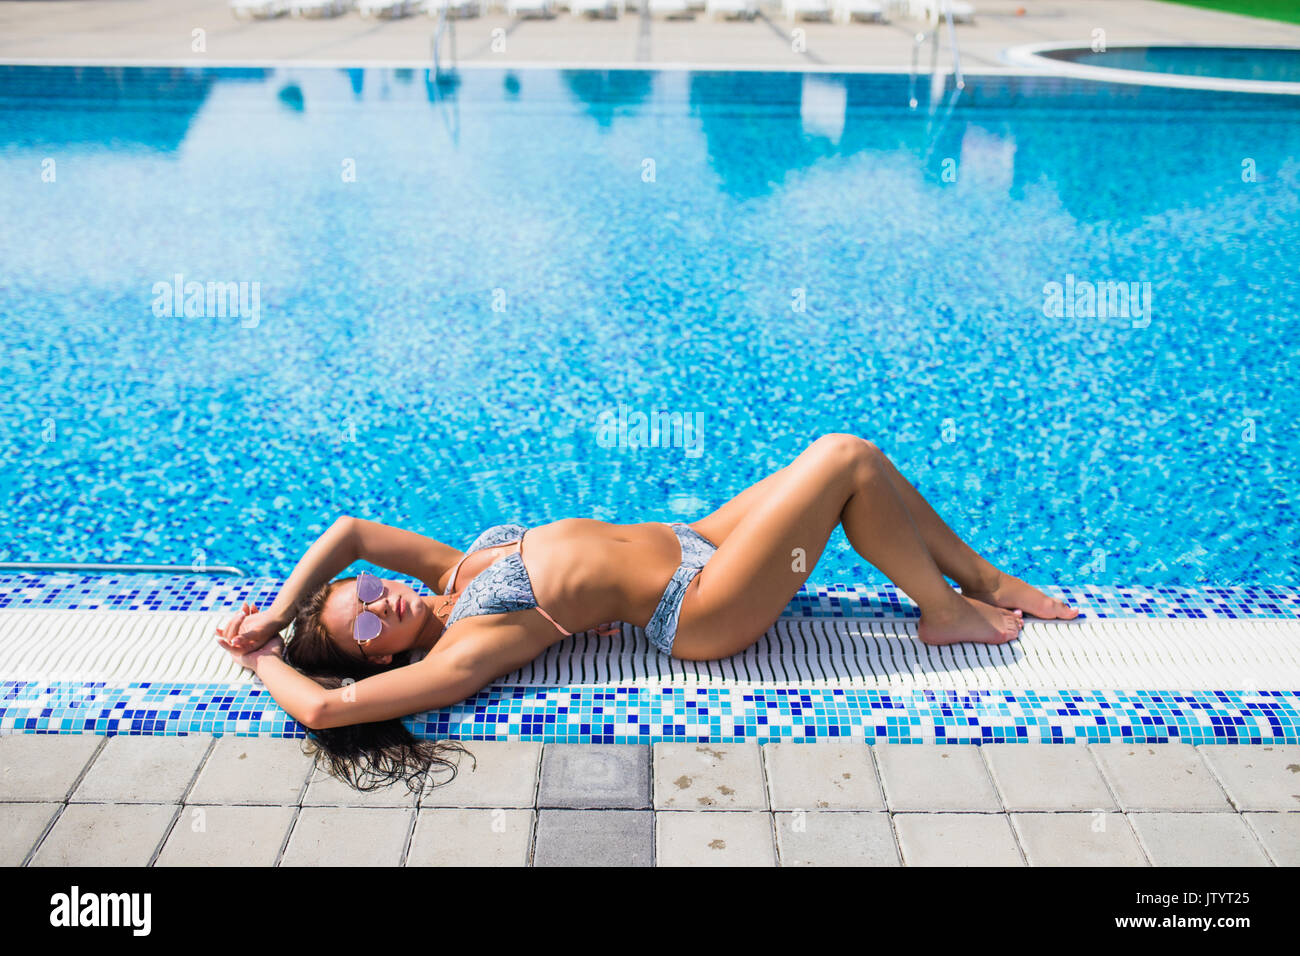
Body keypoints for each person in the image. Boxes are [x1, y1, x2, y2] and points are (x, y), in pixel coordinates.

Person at [216, 434, 1076, 790]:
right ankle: (942, 612)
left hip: (692, 540)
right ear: (383, 661)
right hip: (700, 609)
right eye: (366, 623)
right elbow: (326, 708)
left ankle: (986, 583)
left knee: (863, 461)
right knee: (839, 460)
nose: (378, 598)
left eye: (364, 594)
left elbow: (351, 530)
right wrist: (261, 660)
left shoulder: (451, 574)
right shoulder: (467, 647)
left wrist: (278, 610)